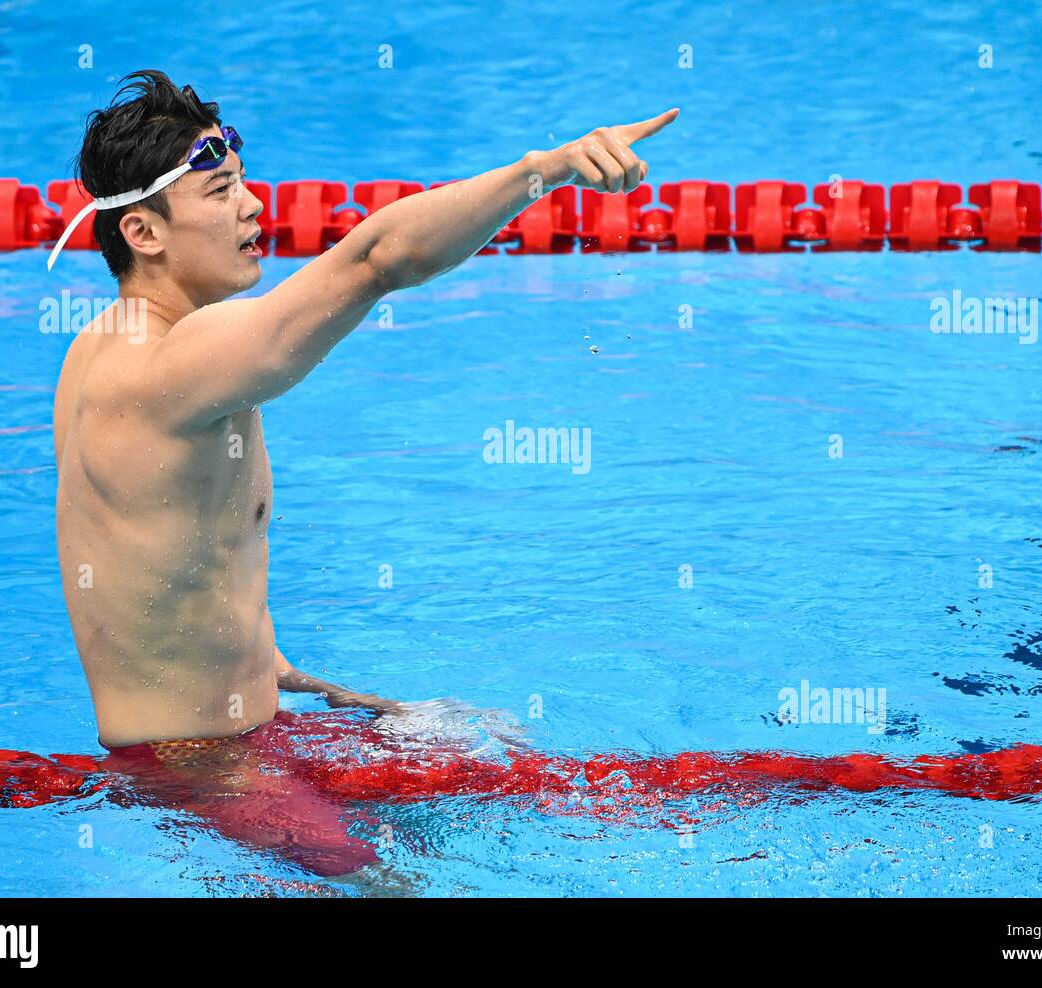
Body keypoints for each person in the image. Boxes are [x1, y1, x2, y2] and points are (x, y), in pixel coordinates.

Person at [52, 68, 677, 751]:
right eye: (221, 190)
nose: (254, 206)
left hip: (214, 752)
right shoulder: (169, 364)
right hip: (208, 774)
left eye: (244, 181)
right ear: (143, 232)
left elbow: (186, 614)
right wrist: (544, 169)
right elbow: (376, 261)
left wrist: (362, 706)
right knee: (425, 858)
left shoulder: (99, 348)